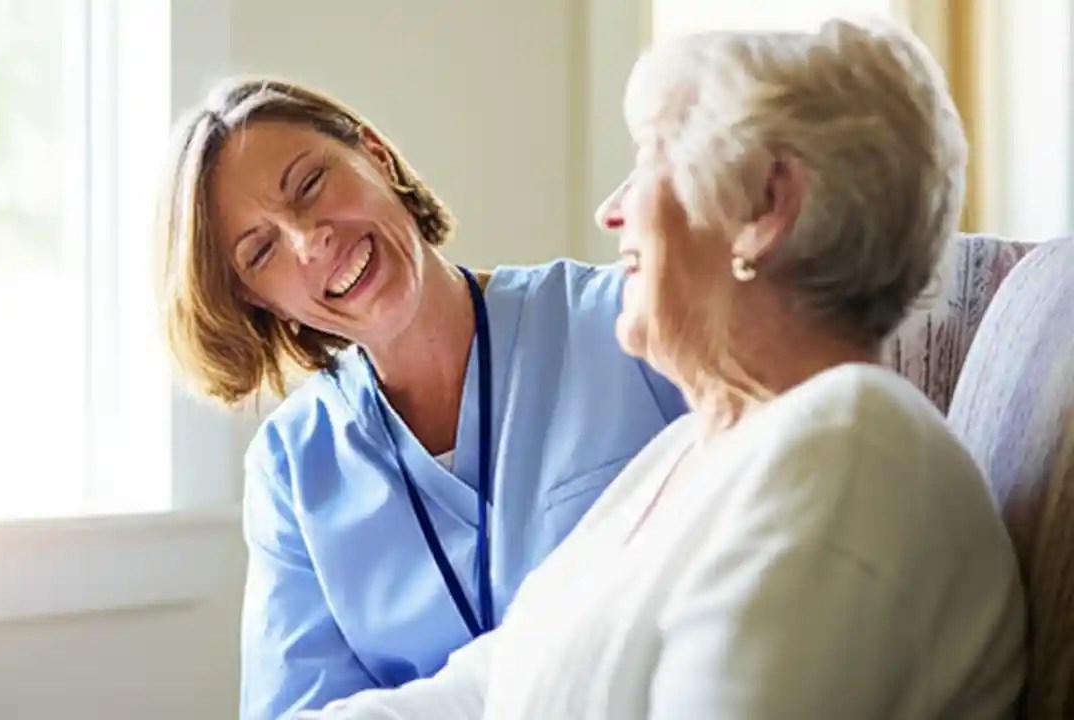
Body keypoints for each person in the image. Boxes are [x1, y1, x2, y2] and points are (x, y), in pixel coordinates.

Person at [303, 18, 1026, 720]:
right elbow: (487, 689)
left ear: (766, 205)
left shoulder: (846, 452)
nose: (610, 210)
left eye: (650, 157)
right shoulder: (693, 451)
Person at [155, 79, 687, 718]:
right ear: (259, 301)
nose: (309, 239)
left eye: (309, 184)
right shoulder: (293, 468)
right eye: (263, 250)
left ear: (376, 156)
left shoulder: (623, 322)